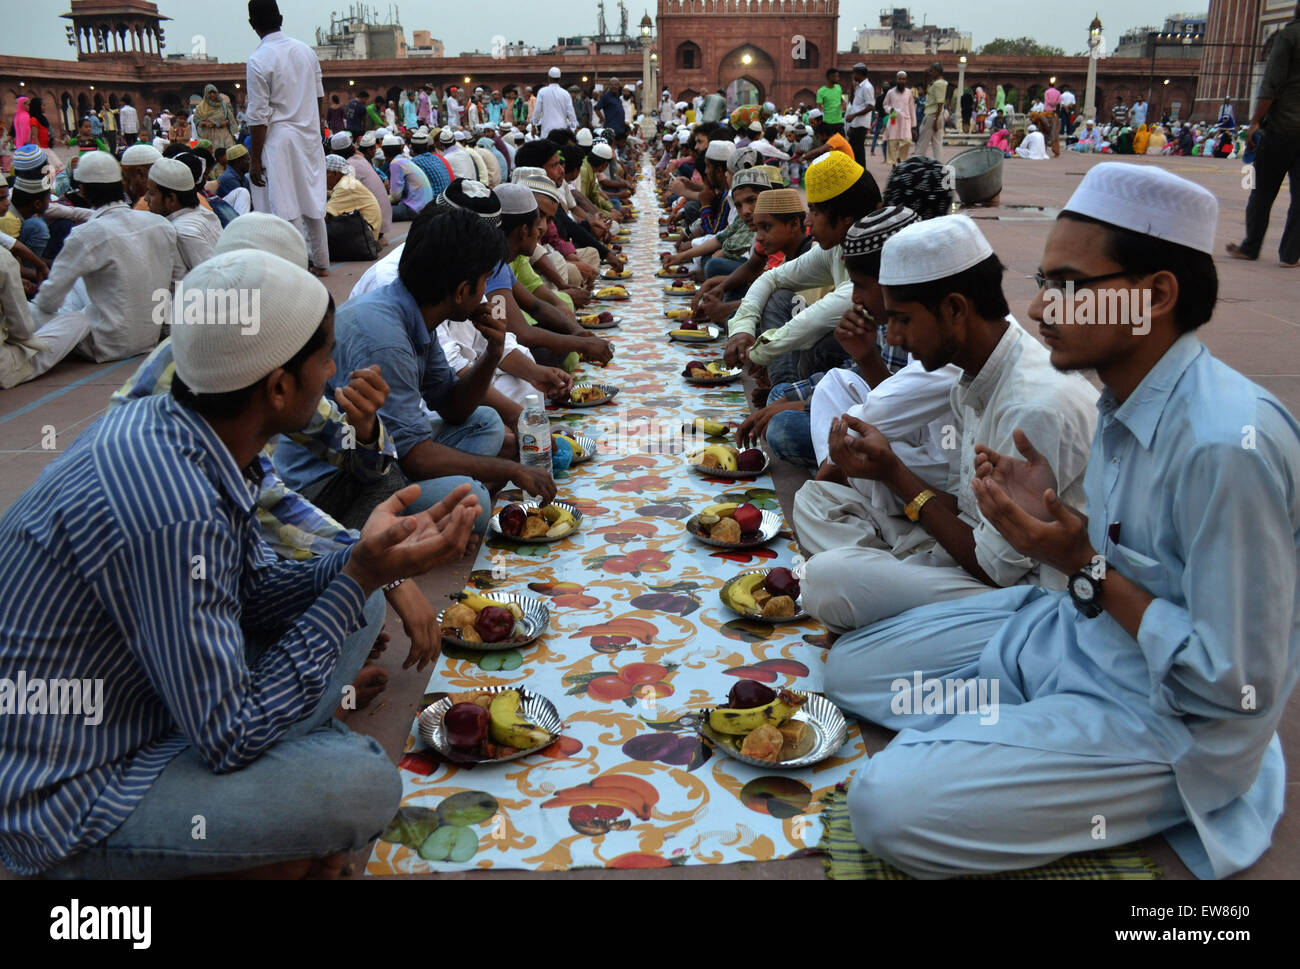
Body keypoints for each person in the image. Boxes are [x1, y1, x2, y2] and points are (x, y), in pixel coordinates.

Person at [824, 162, 1300, 882]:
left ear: (1156, 296)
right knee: (849, 670)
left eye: (1070, 287)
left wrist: (1079, 563)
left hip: (1163, 715)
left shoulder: (1224, 445)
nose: (1042, 310)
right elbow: (1088, 577)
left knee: (884, 803)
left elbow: (1234, 683)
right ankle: (1013, 735)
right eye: (1045, 282)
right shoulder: (1120, 404)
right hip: (1066, 635)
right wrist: (1049, 539)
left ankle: (1056, 758)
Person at [0, 245, 484, 878]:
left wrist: (367, 563)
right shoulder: (173, 504)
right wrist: (363, 572)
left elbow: (253, 591)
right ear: (279, 386)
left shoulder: (187, 421)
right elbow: (229, 735)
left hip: (150, 700)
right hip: (73, 787)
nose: (335, 370)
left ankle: (281, 799)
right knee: (362, 785)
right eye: (324, 357)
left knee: (355, 593)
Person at [793, 213, 1098, 633]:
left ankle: (892, 600)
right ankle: (894, 594)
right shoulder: (975, 374)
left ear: (955, 309)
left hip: (1025, 597)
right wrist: (889, 477)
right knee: (814, 501)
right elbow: (964, 508)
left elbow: (997, 570)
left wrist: (897, 475)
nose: (893, 337)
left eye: (902, 319)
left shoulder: (1031, 406)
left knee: (825, 583)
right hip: (967, 553)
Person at [277, 205, 555, 532]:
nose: (485, 294)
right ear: (462, 291)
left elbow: (453, 407)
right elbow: (412, 456)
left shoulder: (415, 310)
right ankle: (389, 527)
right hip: (331, 486)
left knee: (485, 423)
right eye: (482, 283)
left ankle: (428, 506)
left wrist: (493, 352)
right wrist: (508, 470)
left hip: (377, 458)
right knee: (474, 502)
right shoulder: (386, 337)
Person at [724, 152, 889, 391]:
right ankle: (782, 391)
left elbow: (815, 320)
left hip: (866, 384)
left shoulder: (873, 262)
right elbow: (772, 277)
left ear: (845, 218)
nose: (807, 221)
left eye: (815, 211)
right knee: (779, 298)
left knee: (820, 343)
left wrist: (757, 352)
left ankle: (783, 395)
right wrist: (742, 329)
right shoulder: (835, 247)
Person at [245, 0, 330, 275]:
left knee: (287, 205)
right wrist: (315, 130)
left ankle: (297, 268)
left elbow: (258, 116)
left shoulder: (258, 60)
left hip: (280, 138)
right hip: (308, 135)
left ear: (252, 24)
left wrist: (255, 159)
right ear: (281, 18)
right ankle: (322, 262)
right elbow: (319, 96)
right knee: (313, 201)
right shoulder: (306, 51)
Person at [1227, 2, 1300, 267]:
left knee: (1261, 192)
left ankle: (1251, 246)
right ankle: (1291, 255)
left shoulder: (1289, 36)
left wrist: (1255, 121)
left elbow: (1271, 83)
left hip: (1281, 130)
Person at [147, 155, 223, 270]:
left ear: (171, 199)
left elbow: (211, 279)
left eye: (151, 193)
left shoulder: (181, 232)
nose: (146, 199)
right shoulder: (205, 213)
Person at [333, 132, 392, 241]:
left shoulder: (348, 167)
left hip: (374, 228)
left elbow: (339, 199)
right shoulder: (360, 159)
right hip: (383, 223)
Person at [325, 152, 382, 240]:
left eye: (325, 173)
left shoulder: (345, 186)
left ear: (335, 174)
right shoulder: (346, 181)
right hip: (366, 229)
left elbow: (326, 217)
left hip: (367, 235)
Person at [382, 134, 432, 221]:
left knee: (380, 211)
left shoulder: (395, 163)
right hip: (425, 206)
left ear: (385, 153)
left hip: (415, 208)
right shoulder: (404, 160)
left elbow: (396, 196)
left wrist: (381, 200)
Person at [913, 62, 948, 161]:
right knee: (937, 143)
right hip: (934, 115)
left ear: (938, 71)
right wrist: (925, 77)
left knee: (922, 142)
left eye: (932, 71)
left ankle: (916, 163)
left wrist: (936, 121)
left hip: (932, 115)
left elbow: (940, 103)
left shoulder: (939, 84)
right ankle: (939, 165)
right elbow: (925, 92)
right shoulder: (935, 82)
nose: (930, 72)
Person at [882, 72, 916, 167]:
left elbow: (912, 109)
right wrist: (890, 109)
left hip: (906, 120)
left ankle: (900, 157)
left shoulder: (909, 93)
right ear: (896, 80)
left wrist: (913, 126)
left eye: (903, 79)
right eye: (899, 79)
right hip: (894, 118)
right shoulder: (890, 92)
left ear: (906, 81)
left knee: (907, 141)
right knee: (892, 142)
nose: (901, 80)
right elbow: (885, 105)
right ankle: (893, 163)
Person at [533, 67, 578, 137]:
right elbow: (571, 113)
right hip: (561, 131)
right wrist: (574, 127)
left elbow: (537, 111)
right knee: (559, 148)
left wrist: (534, 124)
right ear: (559, 79)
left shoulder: (542, 92)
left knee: (548, 148)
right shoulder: (565, 93)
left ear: (549, 78)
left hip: (547, 130)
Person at [194, 84, 239, 151]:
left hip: (223, 134)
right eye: (210, 92)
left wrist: (222, 123)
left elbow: (230, 120)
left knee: (225, 154)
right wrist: (205, 123)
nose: (212, 94)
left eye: (214, 92)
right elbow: (196, 120)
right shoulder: (201, 107)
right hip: (208, 135)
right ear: (206, 94)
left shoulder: (223, 105)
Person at [816, 68, 846, 136]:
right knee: (830, 145)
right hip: (828, 123)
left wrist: (843, 103)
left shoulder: (838, 87)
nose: (838, 78)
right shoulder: (821, 91)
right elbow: (819, 106)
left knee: (841, 144)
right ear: (830, 77)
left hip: (839, 121)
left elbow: (841, 99)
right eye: (836, 76)